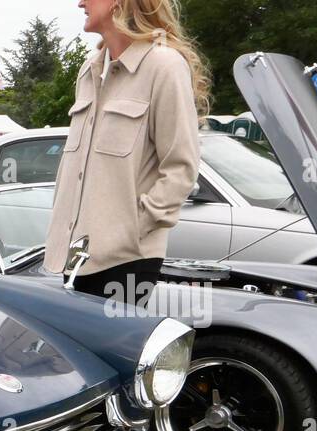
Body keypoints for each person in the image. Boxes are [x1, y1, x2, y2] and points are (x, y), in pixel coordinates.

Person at [45, 0, 206, 305]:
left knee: (114, 353)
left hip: (128, 260)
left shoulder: (164, 66)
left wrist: (133, 229)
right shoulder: (88, 69)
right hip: (77, 255)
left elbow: (181, 168)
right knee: (76, 351)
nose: (79, 2)